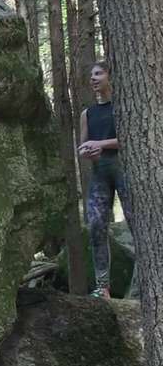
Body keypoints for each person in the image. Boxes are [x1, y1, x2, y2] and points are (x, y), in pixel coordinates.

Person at [78, 60, 134, 300]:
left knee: (136, 223)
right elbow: (83, 146)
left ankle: (142, 284)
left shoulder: (123, 106)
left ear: (110, 76)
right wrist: (88, 152)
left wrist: (100, 144)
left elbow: (131, 137)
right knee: (96, 226)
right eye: (91, 75)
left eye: (98, 73)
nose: (93, 78)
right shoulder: (87, 113)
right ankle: (103, 287)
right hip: (99, 172)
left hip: (124, 169)